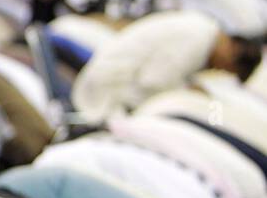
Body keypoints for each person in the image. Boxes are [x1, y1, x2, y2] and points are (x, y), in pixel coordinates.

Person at [71, 11, 263, 123]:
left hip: (116, 83)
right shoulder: (198, 41)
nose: (216, 70)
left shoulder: (203, 30)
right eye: (225, 68)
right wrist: (191, 96)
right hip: (108, 95)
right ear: (231, 52)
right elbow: (154, 82)